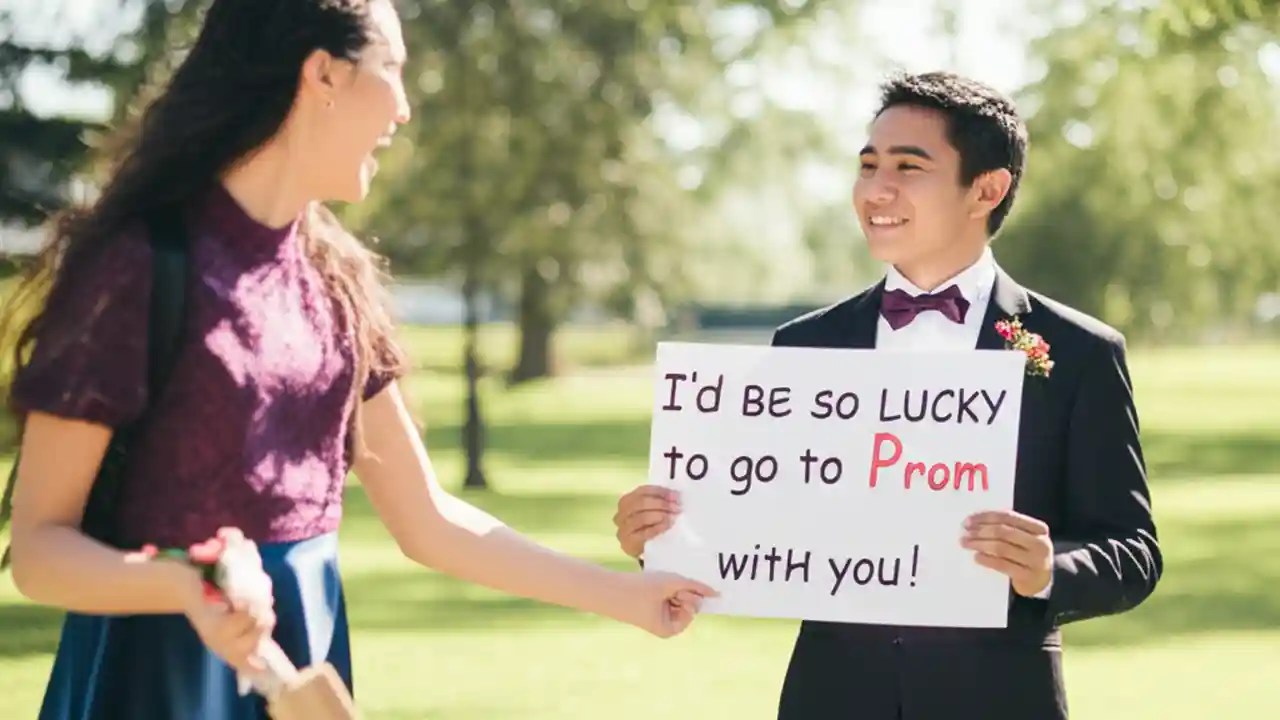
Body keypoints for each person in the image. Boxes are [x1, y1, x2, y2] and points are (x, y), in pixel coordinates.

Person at [0, 1, 715, 718]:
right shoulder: (138, 269)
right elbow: (38, 551)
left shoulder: (334, 280)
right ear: (323, 74)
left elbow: (427, 520)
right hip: (153, 685)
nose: (404, 109)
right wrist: (185, 580)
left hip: (305, 677)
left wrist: (624, 596)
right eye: (393, 71)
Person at [613, 70, 1161, 719]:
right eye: (868, 165)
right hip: (833, 696)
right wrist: (663, 536)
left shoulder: (1077, 352)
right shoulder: (806, 345)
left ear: (986, 188)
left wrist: (1043, 569)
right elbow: (761, 513)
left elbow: (1133, 552)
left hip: (1001, 700)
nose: (877, 190)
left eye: (909, 166)